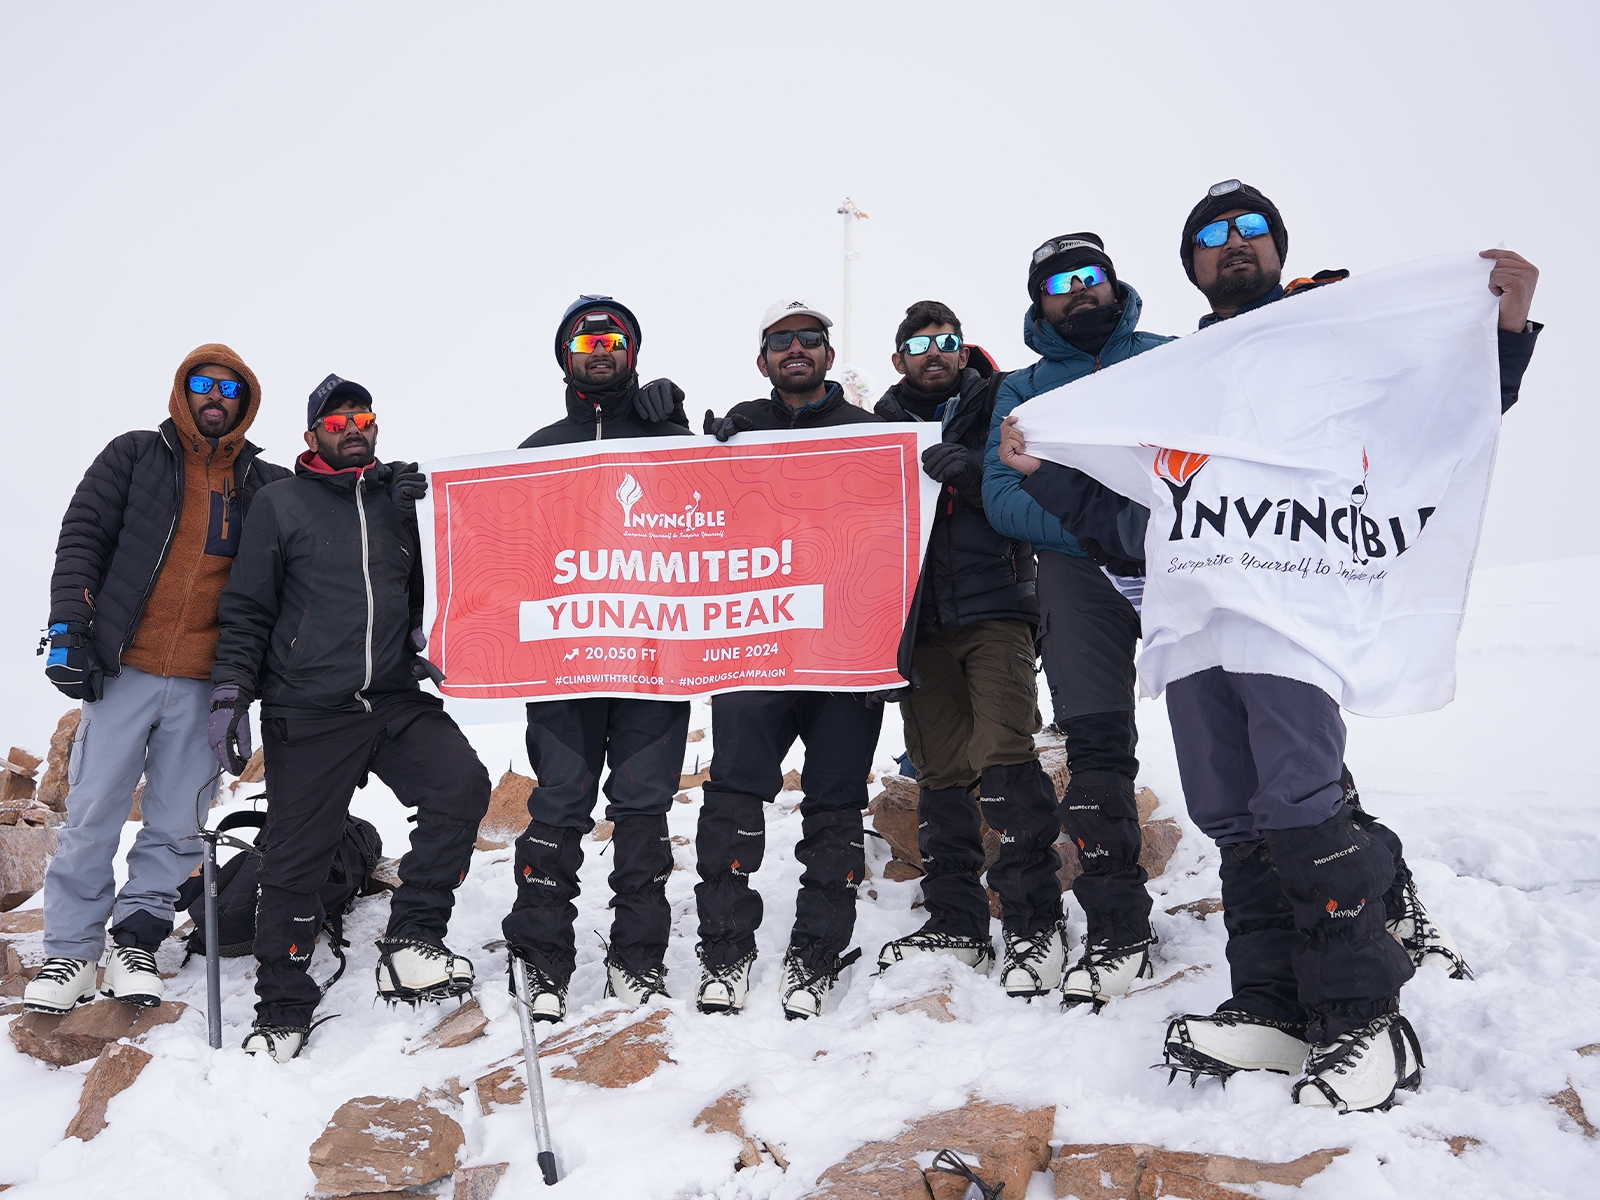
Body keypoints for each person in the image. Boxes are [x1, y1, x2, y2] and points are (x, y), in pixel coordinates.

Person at [999, 178, 1541, 1111]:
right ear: (1191, 267)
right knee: (1232, 813)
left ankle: (1366, 1021)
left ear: (1278, 248)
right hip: (1196, 621)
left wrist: (1504, 333)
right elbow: (1139, 524)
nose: (1233, 242)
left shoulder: (1330, 336)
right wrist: (1045, 474)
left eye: (1251, 228)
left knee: (1299, 802)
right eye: (1211, 235)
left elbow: (1438, 413)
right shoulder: (1179, 377)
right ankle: (1275, 1005)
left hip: (1291, 618)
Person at [210, 374, 491, 1061]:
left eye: (361, 416)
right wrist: (231, 693)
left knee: (461, 787)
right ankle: (282, 1008)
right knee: (296, 858)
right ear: (312, 438)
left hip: (393, 699)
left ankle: (414, 939)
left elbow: (431, 588)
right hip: (308, 709)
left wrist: (426, 642)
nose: (351, 427)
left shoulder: (401, 504)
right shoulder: (280, 505)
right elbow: (247, 608)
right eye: (335, 422)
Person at [25, 346, 289, 1016]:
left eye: (231, 388)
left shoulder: (263, 486)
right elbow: (83, 536)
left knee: (177, 823)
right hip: (125, 668)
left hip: (208, 682)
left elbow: (314, 537)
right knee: (91, 814)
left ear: (245, 401)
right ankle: (70, 951)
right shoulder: (137, 455)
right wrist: (68, 630)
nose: (216, 395)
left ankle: (135, 940)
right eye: (203, 383)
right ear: (183, 391)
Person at [981, 236, 1174, 1008]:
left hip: (1186, 564)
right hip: (1080, 571)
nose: (1079, 291)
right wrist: (1104, 531)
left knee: (1252, 724)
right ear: (1039, 300)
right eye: (1060, 282)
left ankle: (1365, 904)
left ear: (1113, 282)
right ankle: (1120, 929)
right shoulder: (1024, 388)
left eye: (1090, 276)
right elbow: (1003, 494)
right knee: (1096, 752)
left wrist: (1157, 529)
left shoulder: (1171, 357)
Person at [869, 301, 1068, 1000]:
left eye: (946, 341)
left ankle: (1035, 920)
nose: (934, 352)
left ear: (962, 348)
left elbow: (1040, 488)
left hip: (994, 609)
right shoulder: (878, 429)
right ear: (898, 358)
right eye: (918, 342)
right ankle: (955, 918)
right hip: (918, 625)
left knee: (1007, 758)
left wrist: (973, 477)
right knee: (940, 770)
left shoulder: (1004, 407)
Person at [503, 296, 693, 1020]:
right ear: (564, 357)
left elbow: (715, 519)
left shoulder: (666, 433)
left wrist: (675, 428)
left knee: (643, 810)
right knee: (558, 807)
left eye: (615, 338)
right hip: (567, 663)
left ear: (633, 352)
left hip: (653, 658)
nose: (601, 348)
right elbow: (502, 551)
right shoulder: (537, 447)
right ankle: (540, 958)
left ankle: (638, 960)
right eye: (586, 340)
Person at [693, 299, 883, 1019]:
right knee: (734, 799)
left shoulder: (873, 434)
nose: (796, 349)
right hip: (757, 648)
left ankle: (815, 957)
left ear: (830, 356)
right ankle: (725, 952)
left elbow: (906, 539)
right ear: (763, 358)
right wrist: (698, 451)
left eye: (810, 339)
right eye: (781, 341)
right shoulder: (738, 432)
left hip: (846, 653)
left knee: (835, 807)